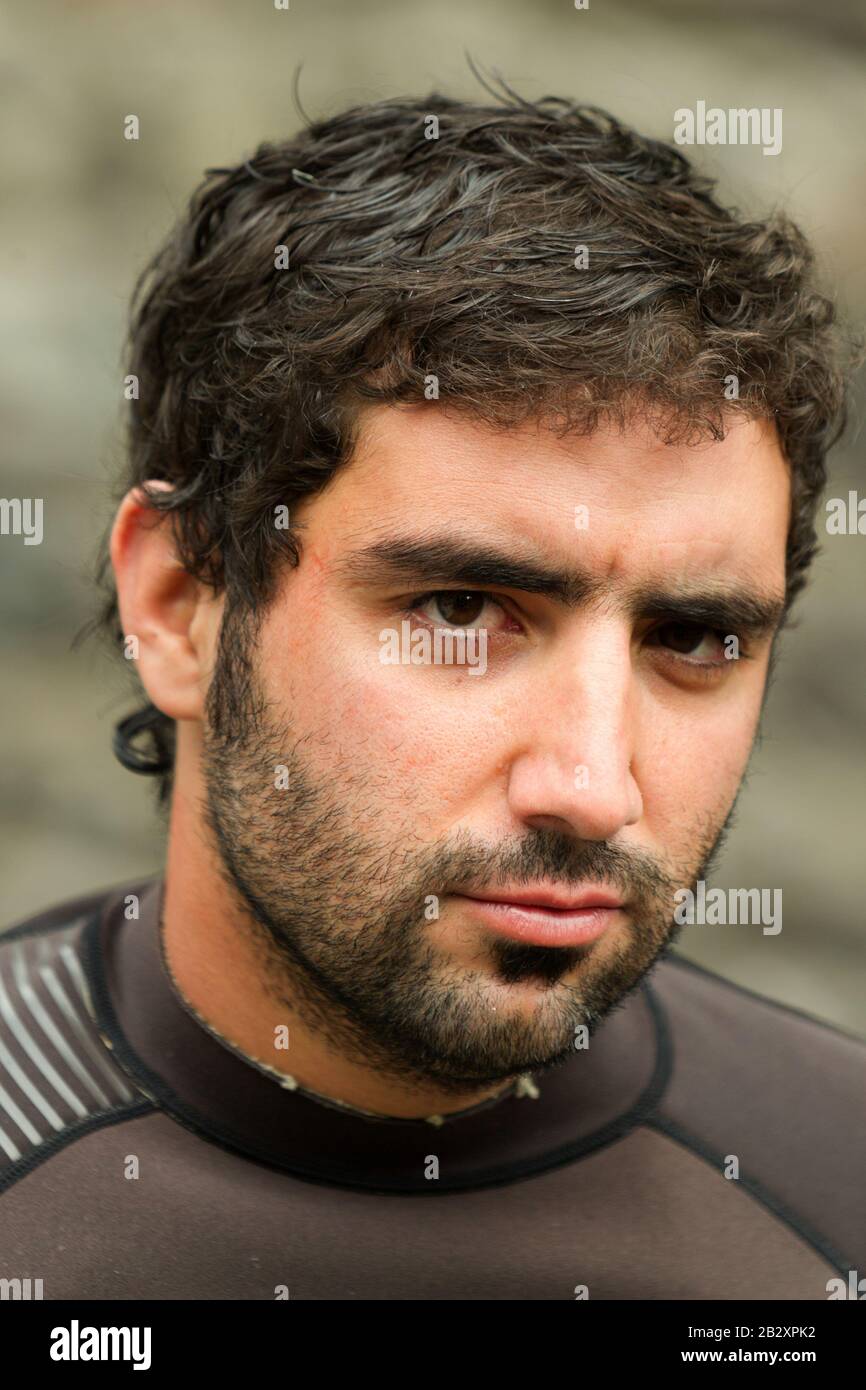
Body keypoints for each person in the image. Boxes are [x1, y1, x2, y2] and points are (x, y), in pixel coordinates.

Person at [1, 85, 863, 1301]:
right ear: (181, 602)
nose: (588, 785)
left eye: (692, 635)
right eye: (459, 612)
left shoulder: (836, 1194)